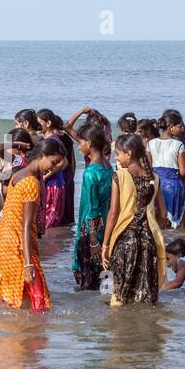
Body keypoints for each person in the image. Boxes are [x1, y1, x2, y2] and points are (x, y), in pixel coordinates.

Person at [0, 139, 67, 310]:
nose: (55, 166)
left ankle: (10, 332)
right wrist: (29, 263)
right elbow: (26, 225)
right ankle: (35, 334)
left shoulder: (19, 174)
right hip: (18, 243)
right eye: (53, 161)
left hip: (5, 240)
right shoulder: (31, 182)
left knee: (11, 295)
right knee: (39, 301)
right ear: (41, 155)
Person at [102, 133, 169, 306]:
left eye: (118, 154)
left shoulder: (120, 176)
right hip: (148, 242)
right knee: (145, 293)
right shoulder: (155, 178)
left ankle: (120, 328)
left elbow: (113, 213)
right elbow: (163, 213)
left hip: (125, 240)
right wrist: (154, 228)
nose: (116, 158)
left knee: (118, 292)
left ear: (129, 153)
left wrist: (105, 244)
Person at [72, 124, 113, 290]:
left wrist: (94, 240)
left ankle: (90, 312)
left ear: (89, 143)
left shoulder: (90, 173)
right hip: (107, 225)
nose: (78, 145)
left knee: (86, 276)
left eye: (80, 142)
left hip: (91, 230)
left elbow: (91, 210)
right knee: (105, 272)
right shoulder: (109, 168)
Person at [149, 110, 185, 226]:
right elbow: (182, 171)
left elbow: (149, 166)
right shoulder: (178, 144)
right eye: (179, 126)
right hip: (173, 184)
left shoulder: (151, 143)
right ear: (171, 127)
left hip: (156, 184)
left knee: (159, 219)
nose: (181, 129)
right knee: (178, 220)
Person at [38, 109, 75, 227]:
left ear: (48, 123)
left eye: (39, 122)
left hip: (53, 185)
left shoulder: (53, 140)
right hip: (56, 183)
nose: (37, 125)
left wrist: (45, 176)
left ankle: (53, 244)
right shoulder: (51, 139)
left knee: (49, 223)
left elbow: (64, 162)